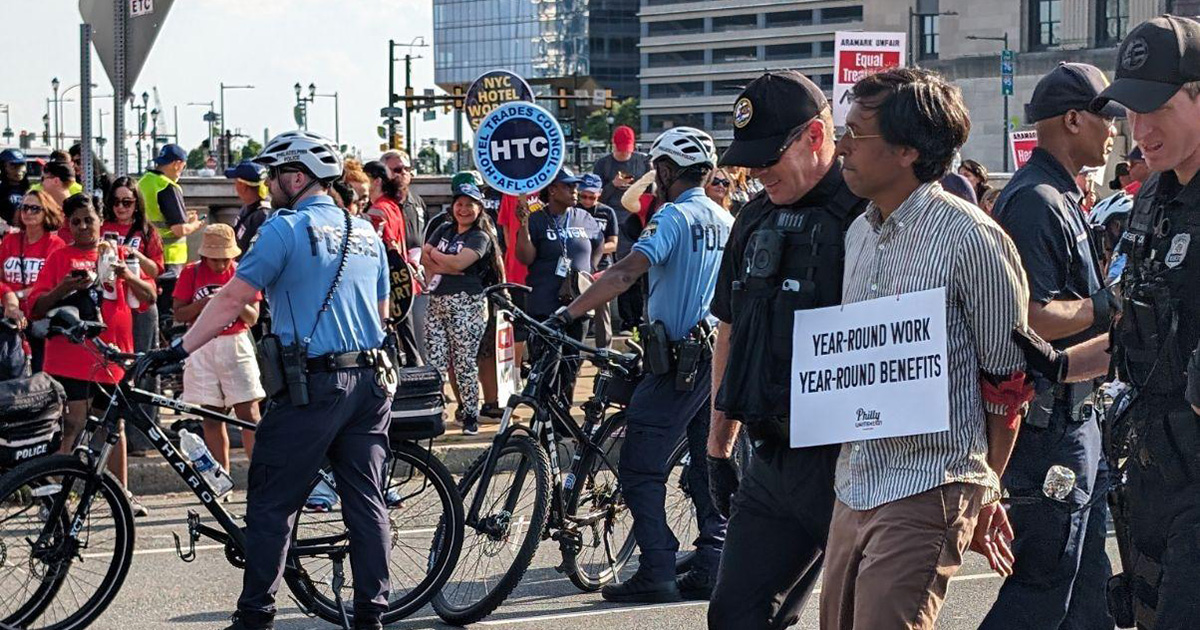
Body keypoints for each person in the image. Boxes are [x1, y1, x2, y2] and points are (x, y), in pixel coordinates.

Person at [139, 130, 393, 630]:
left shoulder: (285, 228)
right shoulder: (366, 231)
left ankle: (254, 616)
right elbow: (381, 312)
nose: (268, 185)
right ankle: (372, 616)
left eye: (273, 175)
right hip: (370, 381)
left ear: (296, 177)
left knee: (272, 501)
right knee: (366, 500)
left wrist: (179, 350)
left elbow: (232, 298)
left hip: (314, 384)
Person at [821, 67, 1031, 630]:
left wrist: (986, 487)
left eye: (855, 133)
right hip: (855, 479)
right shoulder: (858, 233)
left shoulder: (972, 238)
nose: (842, 146)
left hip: (930, 480)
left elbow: (1008, 382)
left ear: (907, 150)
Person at [1020, 16, 1200, 628]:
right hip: (1152, 476)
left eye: (1157, 109)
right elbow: (1140, 326)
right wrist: (1062, 364)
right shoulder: (1151, 198)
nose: (1139, 131)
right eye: (1131, 112)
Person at [705, 71, 866, 629]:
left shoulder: (868, 214)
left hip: (848, 462)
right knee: (735, 615)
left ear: (816, 137)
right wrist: (717, 447)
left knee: (860, 615)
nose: (756, 172)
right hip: (771, 457)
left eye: (768, 157)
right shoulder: (754, 217)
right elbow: (730, 331)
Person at [553, 126, 732, 603]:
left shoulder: (673, 215)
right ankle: (712, 562)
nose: (655, 178)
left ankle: (657, 567)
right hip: (714, 358)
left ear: (668, 171)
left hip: (676, 362)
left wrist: (568, 313)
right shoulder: (724, 217)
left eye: (657, 170)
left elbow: (626, 271)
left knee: (638, 468)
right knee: (706, 464)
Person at [981, 62, 1121, 630]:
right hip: (1048, 427)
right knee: (1041, 587)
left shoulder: (1058, 193)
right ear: (1073, 120)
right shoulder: (1036, 199)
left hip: (1074, 418)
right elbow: (1029, 317)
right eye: (1107, 117)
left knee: (1086, 594)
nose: (1115, 130)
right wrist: (1109, 307)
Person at [30, 194, 155, 516]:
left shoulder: (119, 253)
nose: (84, 227)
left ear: (101, 220)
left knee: (114, 428)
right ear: (68, 225)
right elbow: (36, 308)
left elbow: (150, 297)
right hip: (71, 357)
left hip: (113, 357)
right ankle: (55, 499)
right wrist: (64, 287)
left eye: (89, 219)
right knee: (72, 425)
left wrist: (128, 275)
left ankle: (122, 494)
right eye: (76, 222)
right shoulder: (59, 256)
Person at [172, 224, 263, 487]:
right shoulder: (191, 272)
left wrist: (232, 299)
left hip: (235, 343)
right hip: (202, 344)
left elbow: (253, 317)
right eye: (215, 259)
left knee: (249, 414)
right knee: (212, 415)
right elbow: (179, 313)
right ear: (204, 255)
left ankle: (261, 479)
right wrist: (204, 303)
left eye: (225, 259)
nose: (221, 264)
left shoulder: (242, 273)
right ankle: (220, 481)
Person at [513, 167, 603, 402]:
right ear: (552, 190)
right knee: (547, 366)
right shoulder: (536, 219)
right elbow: (525, 257)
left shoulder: (584, 217)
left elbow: (598, 243)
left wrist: (590, 270)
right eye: (568, 186)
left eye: (575, 185)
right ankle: (544, 415)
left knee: (571, 366)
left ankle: (563, 417)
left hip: (578, 304)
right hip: (546, 304)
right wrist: (523, 226)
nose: (575, 190)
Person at [422, 182, 503, 435]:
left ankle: (470, 415)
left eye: (470, 204)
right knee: (435, 362)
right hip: (437, 302)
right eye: (459, 204)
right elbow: (424, 256)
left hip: (467, 304)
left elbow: (460, 262)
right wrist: (447, 264)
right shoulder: (444, 229)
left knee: (464, 362)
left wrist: (439, 258)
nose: (464, 209)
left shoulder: (480, 236)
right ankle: (436, 412)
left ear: (480, 209)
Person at [0, 189, 65, 371]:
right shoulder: (10, 240)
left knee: (38, 375)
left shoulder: (56, 245)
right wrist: (7, 296)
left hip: (39, 322)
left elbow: (50, 285)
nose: (28, 212)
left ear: (47, 212)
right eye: (25, 207)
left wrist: (15, 296)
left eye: (35, 209)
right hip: (9, 319)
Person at [138, 144, 204, 277]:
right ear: (176, 164)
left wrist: (183, 216)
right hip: (169, 257)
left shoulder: (143, 182)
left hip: (145, 254)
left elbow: (155, 214)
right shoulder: (167, 186)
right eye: (184, 166)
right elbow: (179, 230)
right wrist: (195, 224)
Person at [577, 173, 618, 349]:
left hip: (601, 266)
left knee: (602, 309)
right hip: (579, 266)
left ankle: (604, 351)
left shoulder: (607, 212)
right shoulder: (573, 211)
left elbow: (614, 243)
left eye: (592, 197)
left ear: (599, 194)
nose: (587, 201)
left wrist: (593, 248)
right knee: (577, 308)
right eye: (583, 196)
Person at [592, 125, 651, 212]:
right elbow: (595, 197)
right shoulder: (602, 164)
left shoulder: (644, 162)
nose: (623, 153)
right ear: (613, 145)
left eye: (626, 150)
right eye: (620, 150)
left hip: (637, 211)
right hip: (612, 211)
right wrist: (613, 184)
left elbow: (650, 192)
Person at [226, 160, 272, 257]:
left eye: (236, 181)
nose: (234, 185)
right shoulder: (248, 206)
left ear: (243, 186)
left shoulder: (262, 216)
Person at [0, 148, 30, 227]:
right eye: (13, 166)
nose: (19, 170)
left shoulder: (31, 190)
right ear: (3, 168)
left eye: (21, 165)